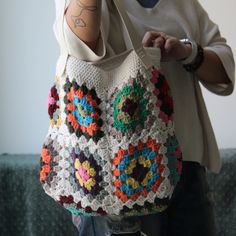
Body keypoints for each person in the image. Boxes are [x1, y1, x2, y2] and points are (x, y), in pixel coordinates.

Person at [53, 0, 235, 235]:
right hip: (114, 175)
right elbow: (79, 46)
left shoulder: (184, 4)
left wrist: (187, 52)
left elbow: (225, 70)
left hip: (186, 168)